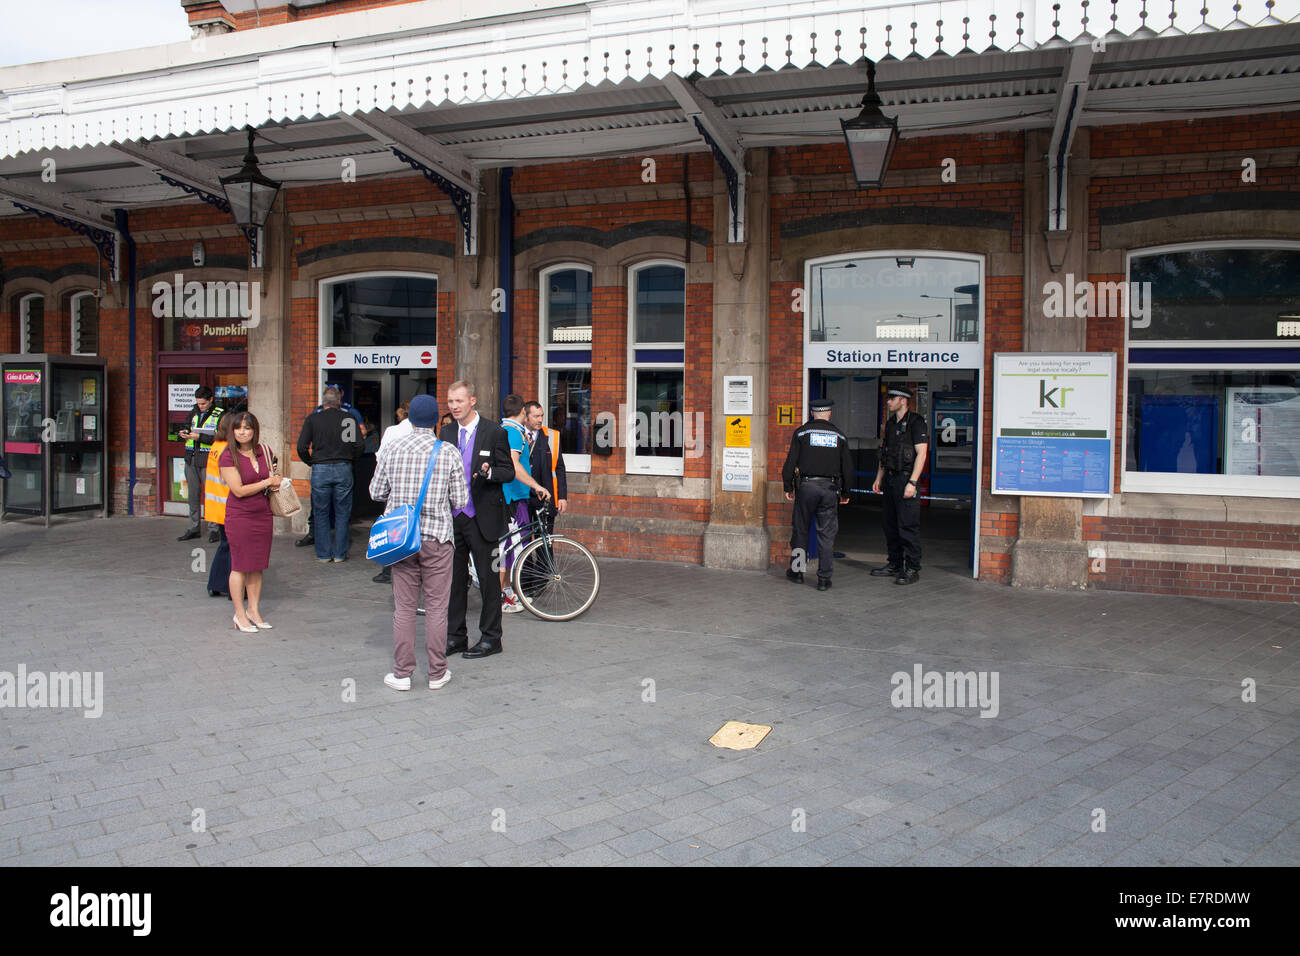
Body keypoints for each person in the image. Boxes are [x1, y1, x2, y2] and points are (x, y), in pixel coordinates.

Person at [370, 394, 468, 692]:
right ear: (436, 421)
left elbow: (375, 491)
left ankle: (402, 674)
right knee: (438, 608)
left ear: (410, 419)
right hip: (437, 538)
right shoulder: (448, 452)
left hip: (402, 541)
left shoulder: (392, 448)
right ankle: (437, 673)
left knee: (404, 608)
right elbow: (461, 501)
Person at [439, 380, 514, 659]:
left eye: (459, 401)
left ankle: (491, 638)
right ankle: (456, 636)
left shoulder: (494, 431)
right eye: (450, 402)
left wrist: (489, 472)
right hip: (453, 518)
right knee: (455, 581)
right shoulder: (445, 432)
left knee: (488, 579)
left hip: (483, 517)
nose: (454, 406)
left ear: (473, 400)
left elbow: (507, 471)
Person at [218, 410, 283, 631]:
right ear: (232, 431)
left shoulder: (265, 451)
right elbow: (239, 490)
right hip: (240, 515)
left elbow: (273, 477)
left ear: (254, 430)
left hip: (263, 514)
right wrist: (267, 482)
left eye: (247, 427)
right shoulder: (228, 456)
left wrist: (275, 482)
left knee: (257, 565)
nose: (242, 432)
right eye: (238, 428)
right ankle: (239, 614)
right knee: (240, 566)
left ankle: (253, 610)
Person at [782, 397, 854, 591]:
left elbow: (790, 463)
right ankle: (824, 578)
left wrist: (788, 487)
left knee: (801, 531)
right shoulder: (840, 436)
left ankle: (797, 572)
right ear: (829, 413)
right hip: (830, 490)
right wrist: (846, 492)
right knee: (826, 535)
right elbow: (847, 467)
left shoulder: (802, 432)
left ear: (812, 413)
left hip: (806, 488)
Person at [297, 387, 363, 564]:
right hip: (343, 468)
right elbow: (358, 445)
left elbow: (301, 447)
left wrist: (312, 462)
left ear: (323, 401)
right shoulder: (348, 418)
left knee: (321, 512)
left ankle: (324, 554)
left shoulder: (313, 419)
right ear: (338, 401)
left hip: (321, 469)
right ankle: (340, 553)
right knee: (342, 512)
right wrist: (350, 461)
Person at [871, 385, 930, 586]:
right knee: (890, 525)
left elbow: (921, 454)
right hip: (890, 479)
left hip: (906, 479)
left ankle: (912, 568)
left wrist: (913, 482)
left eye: (892, 398)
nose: (888, 401)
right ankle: (895, 564)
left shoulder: (916, 422)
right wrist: (879, 477)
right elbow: (884, 453)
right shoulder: (890, 424)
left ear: (903, 400)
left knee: (908, 526)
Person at [498, 395, 552, 613]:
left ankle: (508, 593)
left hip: (514, 496)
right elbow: (514, 465)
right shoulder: (513, 432)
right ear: (522, 411)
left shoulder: (506, 429)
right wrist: (536, 486)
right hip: (512, 497)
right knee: (505, 550)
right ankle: (500, 598)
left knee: (512, 549)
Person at [371, 400, 414, 584]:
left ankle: (389, 571)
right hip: (419, 488)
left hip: (394, 487)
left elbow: (380, 458)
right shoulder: (428, 432)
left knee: (393, 527)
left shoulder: (392, 431)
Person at [178, 385, 223, 542]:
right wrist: (183, 432)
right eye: (198, 403)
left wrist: (200, 438)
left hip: (209, 460)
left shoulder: (220, 414)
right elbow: (185, 426)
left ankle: (215, 529)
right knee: (193, 496)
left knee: (211, 496)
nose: (200, 406)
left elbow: (221, 438)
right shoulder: (194, 411)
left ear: (211, 400)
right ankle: (194, 527)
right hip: (191, 458)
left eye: (203, 403)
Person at [204, 412, 235, 598]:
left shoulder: (216, 445)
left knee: (226, 545)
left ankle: (216, 583)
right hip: (227, 505)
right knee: (233, 546)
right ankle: (233, 587)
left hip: (216, 505)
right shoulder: (228, 450)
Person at [525, 400, 567, 516]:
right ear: (526, 416)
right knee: (523, 534)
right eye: (536, 416)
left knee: (545, 534)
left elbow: (559, 468)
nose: (540, 420)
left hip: (546, 495)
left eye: (542, 416)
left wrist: (562, 497)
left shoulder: (552, 436)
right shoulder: (516, 434)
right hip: (523, 497)